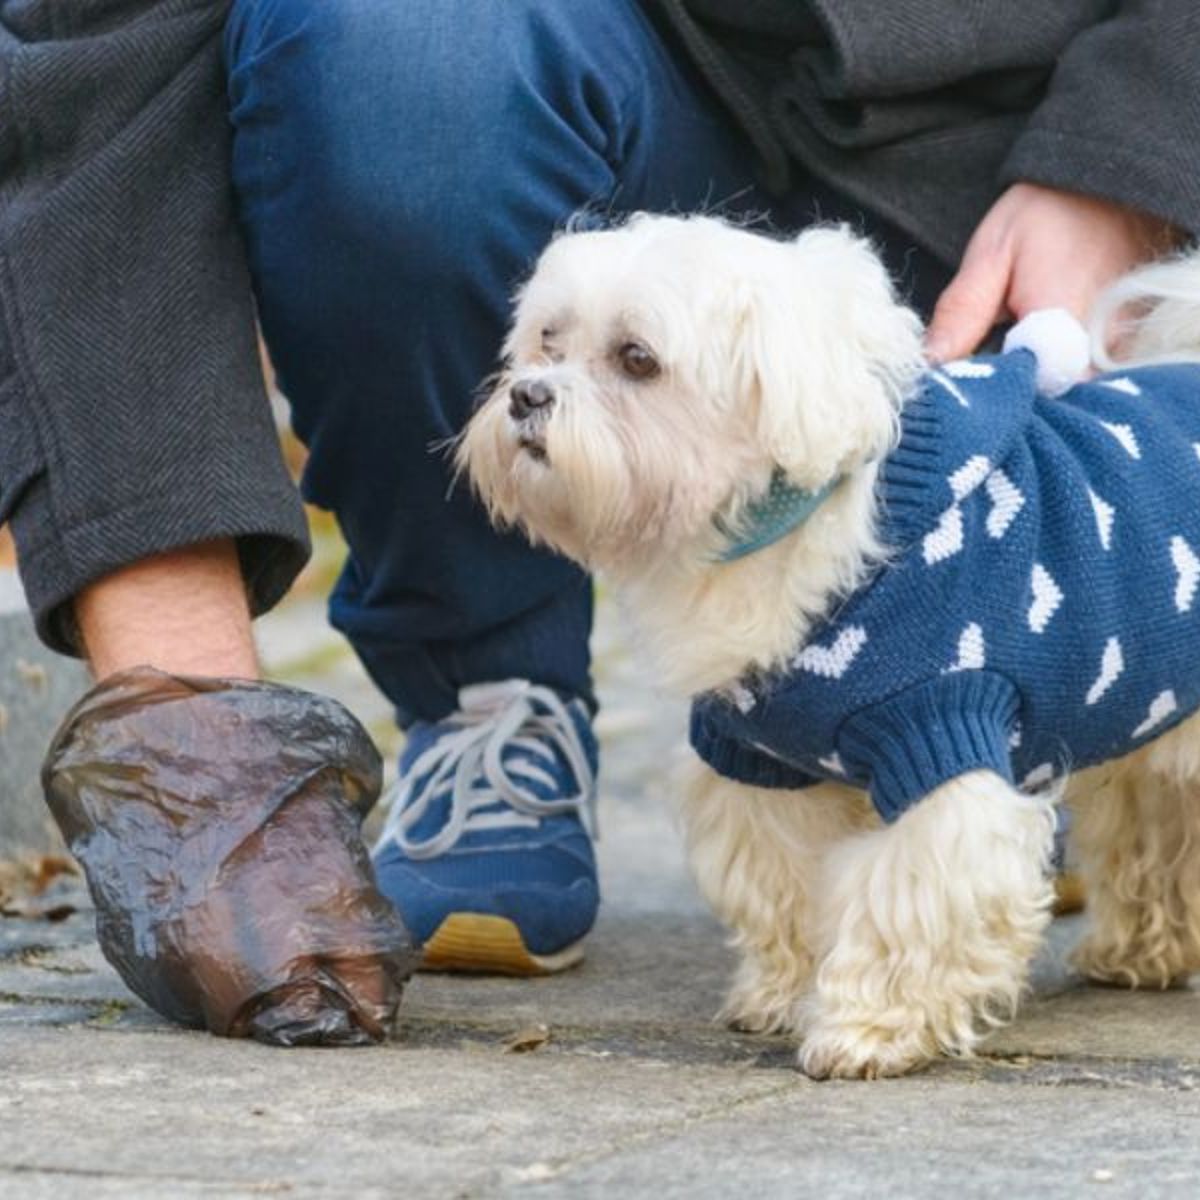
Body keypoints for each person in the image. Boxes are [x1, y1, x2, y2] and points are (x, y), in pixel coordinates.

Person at [2, 0, 1196, 1036]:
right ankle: (489, 694)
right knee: (396, 55)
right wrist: (189, 724)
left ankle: (1018, 753)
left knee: (1050, 608)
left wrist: (1132, 149)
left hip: (1020, 165)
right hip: (564, 77)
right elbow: (92, 71)